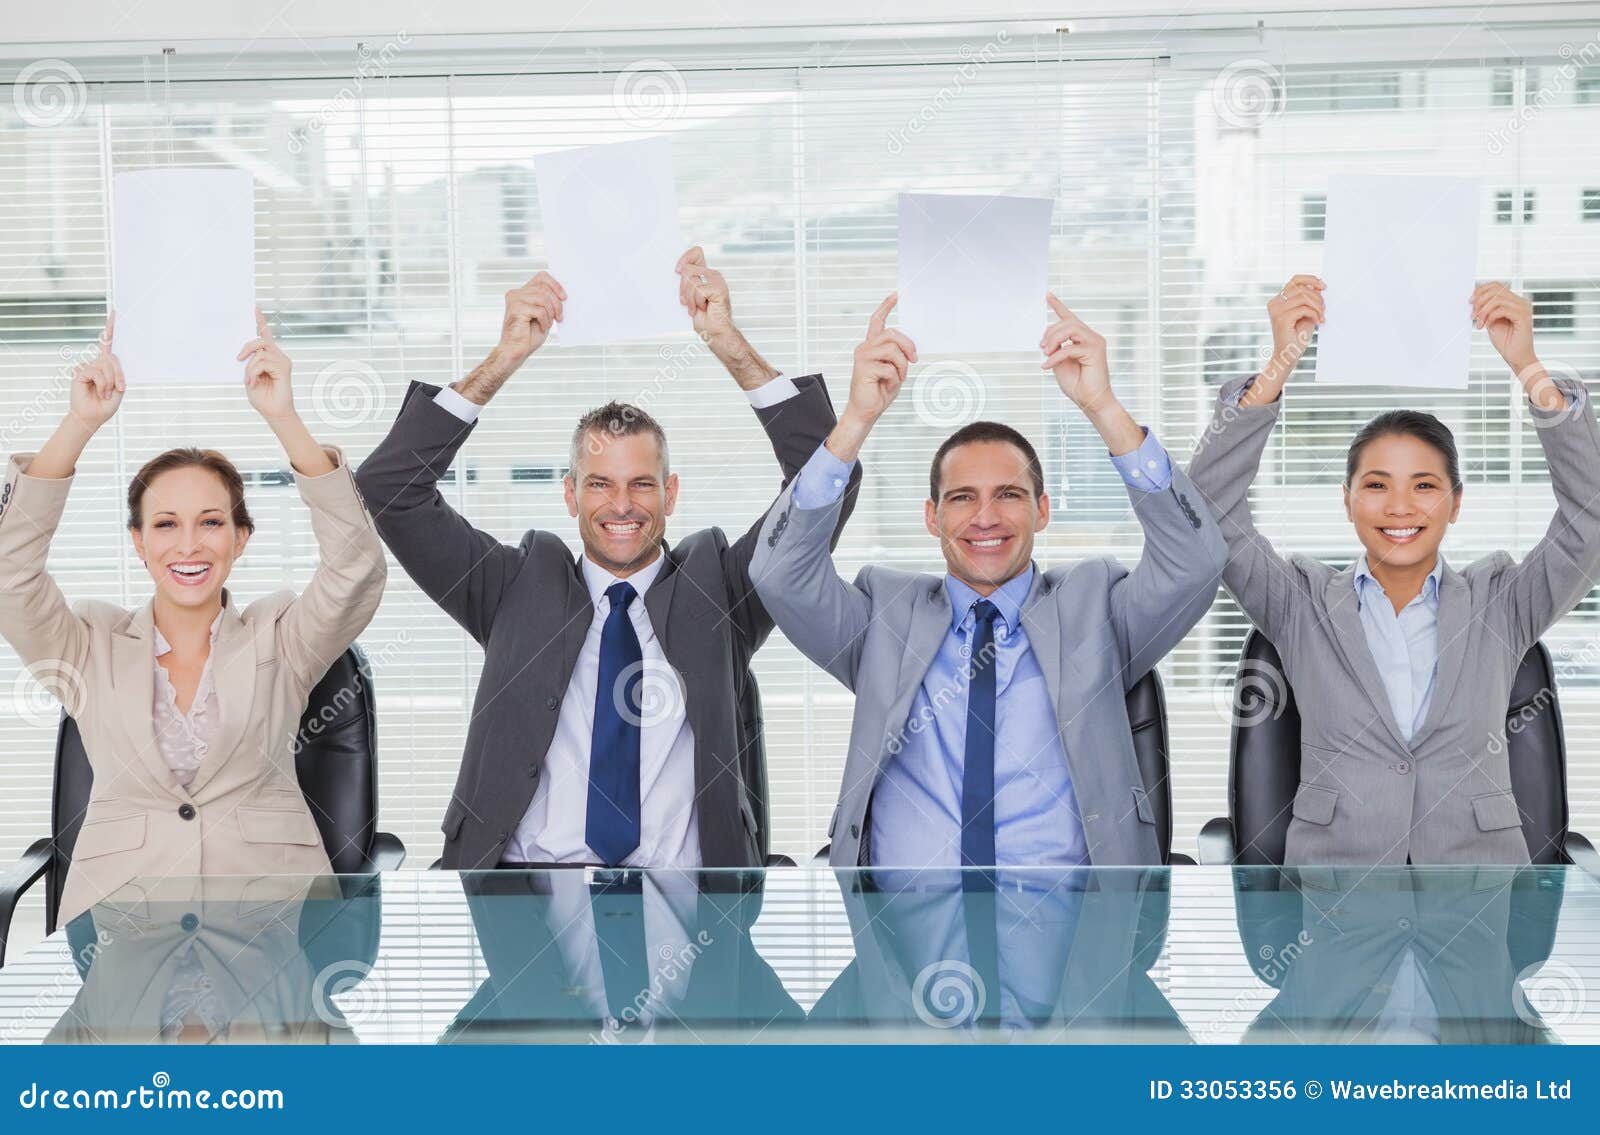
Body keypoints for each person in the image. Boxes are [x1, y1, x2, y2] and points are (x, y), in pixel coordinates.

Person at [354, 248, 859, 870]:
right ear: (570, 494)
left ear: (670, 494)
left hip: (688, 908)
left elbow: (824, 487)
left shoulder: (723, 590)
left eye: (642, 484)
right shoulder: (513, 587)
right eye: (599, 484)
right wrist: (504, 358)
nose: (622, 505)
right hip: (524, 898)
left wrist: (729, 344)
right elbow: (390, 490)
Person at [750, 294, 1227, 869]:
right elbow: (778, 573)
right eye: (961, 499)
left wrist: (1103, 407)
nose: (985, 518)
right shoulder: (883, 616)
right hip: (906, 932)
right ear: (932, 517)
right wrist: (856, 420)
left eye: (1009, 495)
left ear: (1042, 510)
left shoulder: (1095, 609)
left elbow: (1195, 561)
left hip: (1072, 931)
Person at [1188, 277, 1600, 865]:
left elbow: (1591, 519)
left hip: (1473, 912)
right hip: (1337, 914)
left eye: (1424, 486)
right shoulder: (1300, 603)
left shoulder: (1502, 602)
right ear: (1348, 500)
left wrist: (1529, 368)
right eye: (1376, 486)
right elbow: (1207, 514)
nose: (1400, 507)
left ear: (1456, 503)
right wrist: (1277, 366)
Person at [0, 313, 387, 927]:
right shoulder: (87, 646)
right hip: (122, 928)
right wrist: (79, 424)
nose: (189, 545)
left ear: (241, 539)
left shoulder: (282, 638)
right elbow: (10, 577)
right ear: (139, 542)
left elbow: (357, 570)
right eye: (165, 524)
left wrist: (283, 418)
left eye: (211, 522)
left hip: (272, 925)